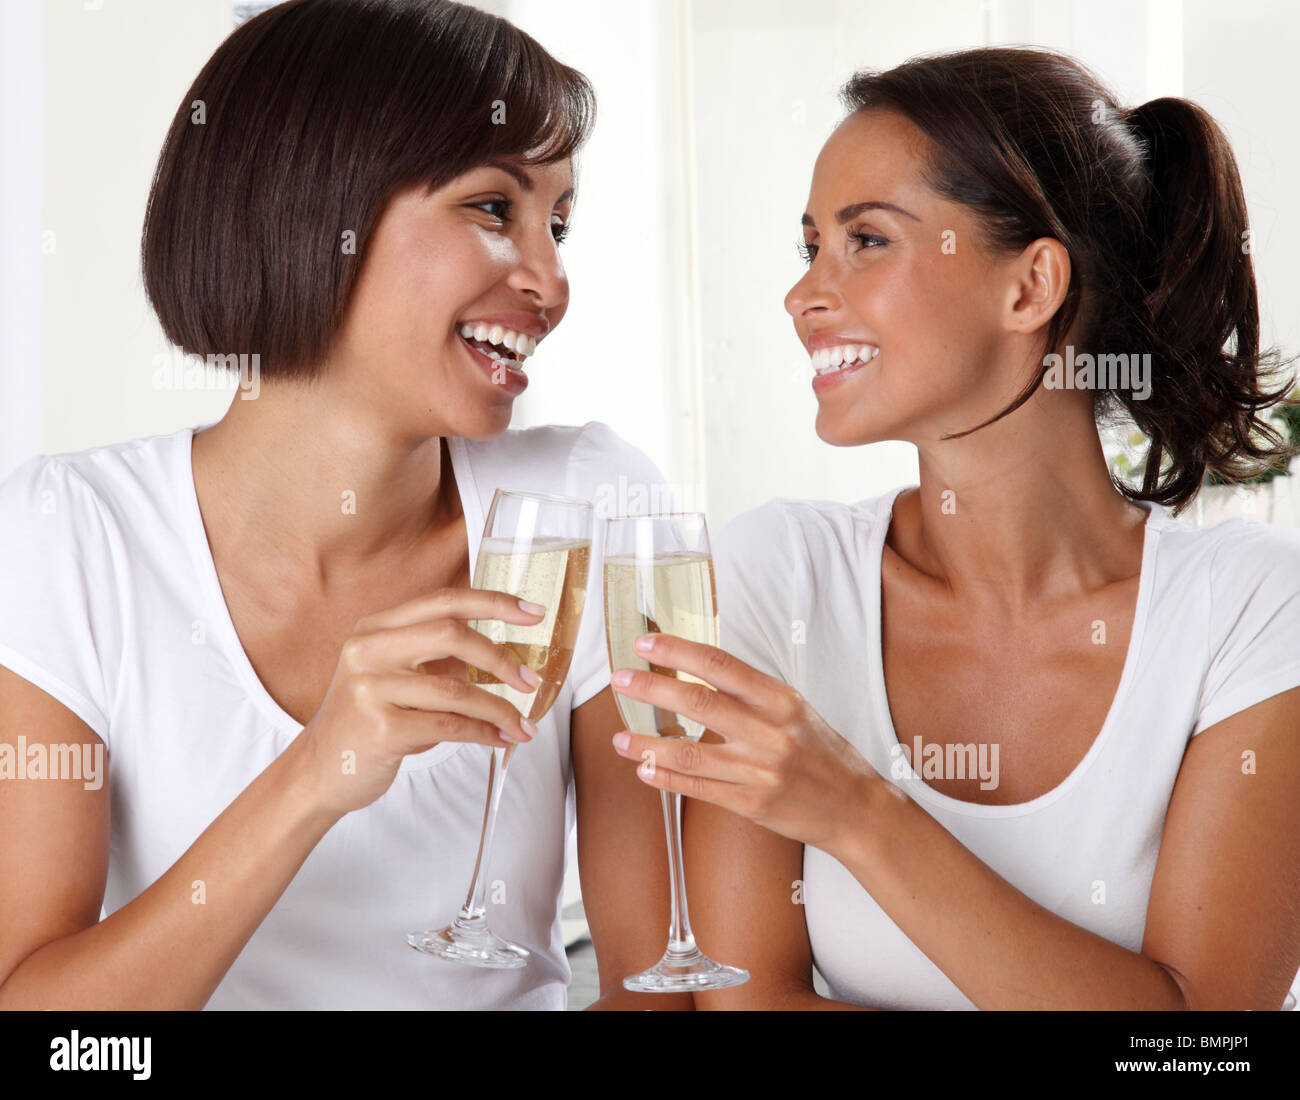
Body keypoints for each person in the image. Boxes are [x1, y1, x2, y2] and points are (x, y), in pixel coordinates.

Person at [0, 0, 689, 1011]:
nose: (549, 280)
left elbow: (653, 990)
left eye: (559, 224)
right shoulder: (69, 536)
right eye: (494, 208)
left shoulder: (581, 502)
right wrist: (317, 771)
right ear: (313, 208)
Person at [608, 46, 1300, 1009]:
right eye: (810, 246)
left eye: (868, 241)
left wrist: (858, 811)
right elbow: (746, 1003)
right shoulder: (782, 576)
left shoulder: (1251, 610)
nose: (803, 296)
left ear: (1030, 289)